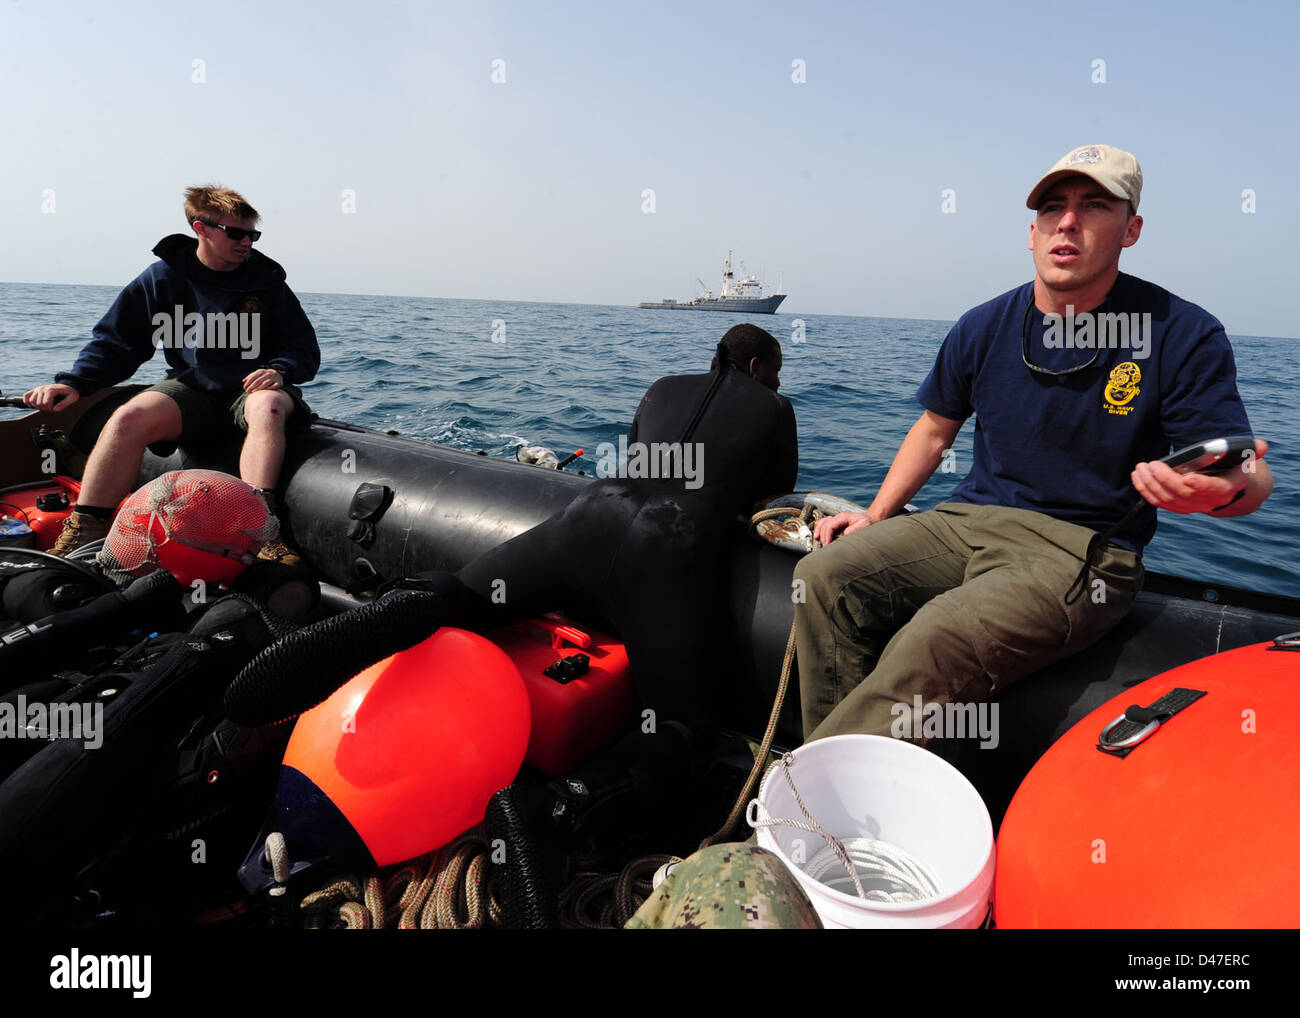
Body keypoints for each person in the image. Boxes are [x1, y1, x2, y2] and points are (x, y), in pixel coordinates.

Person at [794, 144, 1273, 743]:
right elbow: (936, 428)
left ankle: (807, 804)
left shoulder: (1182, 332)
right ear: (1032, 232)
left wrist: (1222, 493)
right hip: (964, 520)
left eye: (1094, 205)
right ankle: (838, 788)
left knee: (940, 634)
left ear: (1132, 229)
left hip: (1082, 550)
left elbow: (1246, 475)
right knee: (824, 578)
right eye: (1053, 207)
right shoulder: (983, 324)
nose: (1068, 221)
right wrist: (876, 515)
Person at [457, 323, 797, 727]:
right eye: (777, 371)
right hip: (665, 554)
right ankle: (580, 791)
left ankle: (373, 626)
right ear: (757, 367)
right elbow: (775, 492)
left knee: (456, 598)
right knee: (681, 727)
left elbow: (640, 456)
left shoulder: (662, 386)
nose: (778, 382)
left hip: (589, 517)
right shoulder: (775, 407)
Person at [23, 185, 319, 563]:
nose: (247, 242)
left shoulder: (268, 284)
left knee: (269, 408)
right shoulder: (162, 279)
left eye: (252, 235)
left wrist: (280, 370)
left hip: (252, 389)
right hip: (192, 386)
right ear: (202, 228)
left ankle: (261, 530)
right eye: (236, 233)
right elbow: (118, 342)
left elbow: (304, 349)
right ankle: (87, 527)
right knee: (128, 417)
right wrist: (74, 383)